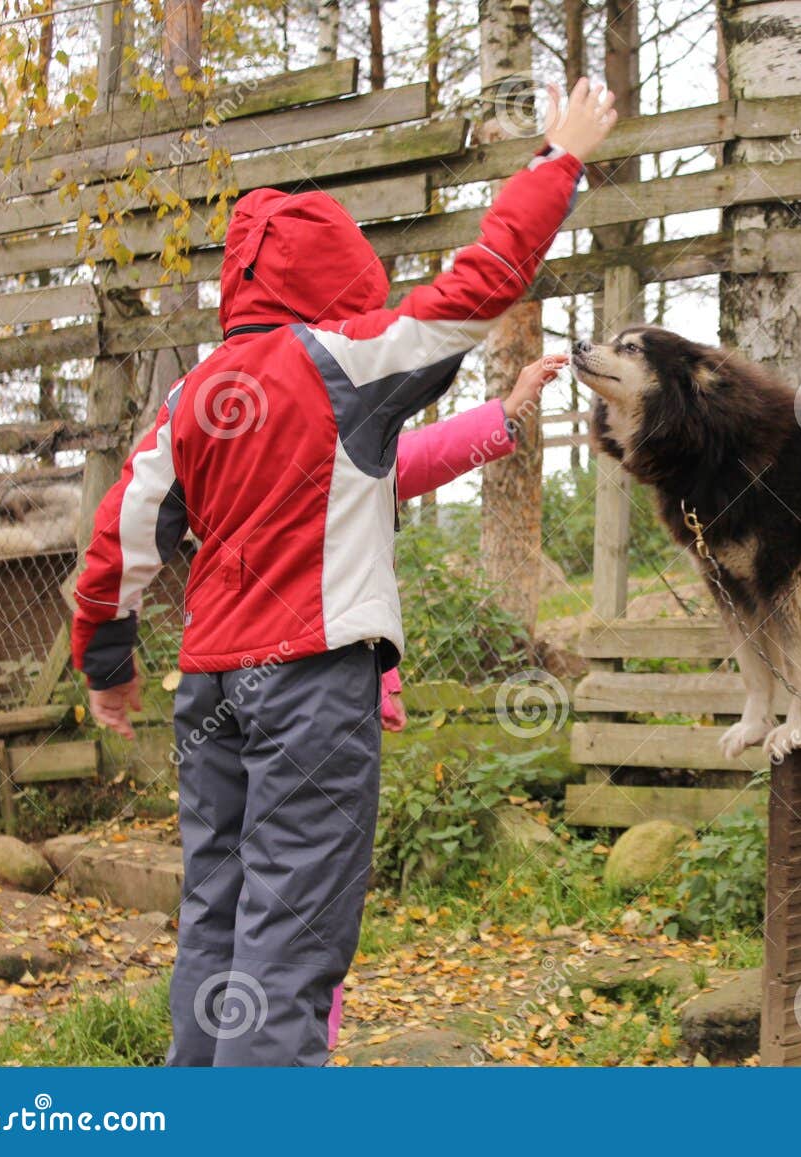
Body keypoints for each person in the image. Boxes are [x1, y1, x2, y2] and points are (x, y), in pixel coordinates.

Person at [72, 81, 616, 1066]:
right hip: (311, 684)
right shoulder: (346, 357)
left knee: (218, 911)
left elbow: (119, 538)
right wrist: (557, 159)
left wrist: (108, 661)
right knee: (290, 930)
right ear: (341, 275)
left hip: (208, 691)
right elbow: (482, 281)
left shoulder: (194, 393)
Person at [325, 351, 567, 1049]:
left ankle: (262, 1048)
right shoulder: (336, 444)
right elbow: (419, 454)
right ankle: (298, 1045)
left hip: (226, 686)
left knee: (259, 892)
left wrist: (509, 407)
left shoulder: (238, 422)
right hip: (315, 692)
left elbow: (423, 453)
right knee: (314, 890)